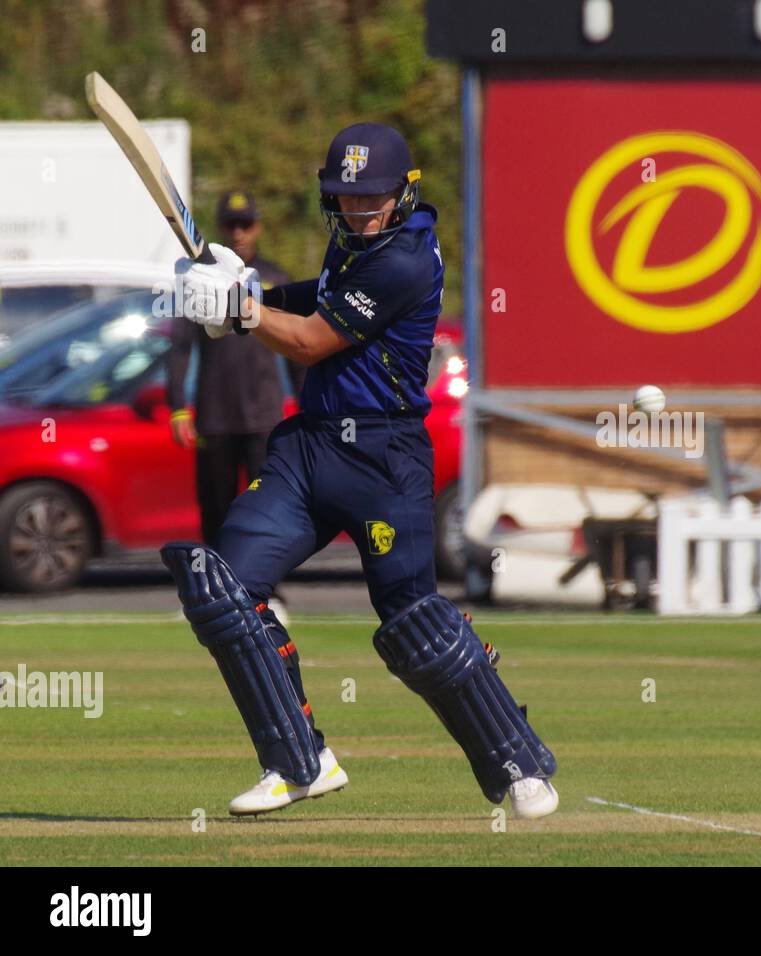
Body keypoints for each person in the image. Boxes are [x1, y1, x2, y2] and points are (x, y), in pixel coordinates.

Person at [161, 124, 558, 820]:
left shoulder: (404, 259)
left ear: (404, 193)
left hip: (385, 459)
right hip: (310, 450)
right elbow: (319, 296)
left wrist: (241, 310)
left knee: (417, 629)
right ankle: (298, 761)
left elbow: (314, 341)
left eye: (371, 197)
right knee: (220, 586)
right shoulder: (355, 240)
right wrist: (249, 287)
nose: (357, 210)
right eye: (345, 198)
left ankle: (518, 761)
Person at [166, 191, 303, 548]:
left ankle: (268, 590)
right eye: (231, 224)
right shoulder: (202, 279)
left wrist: (308, 409)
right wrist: (178, 407)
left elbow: (298, 347)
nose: (238, 233)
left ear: (258, 226)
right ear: (221, 228)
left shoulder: (273, 276)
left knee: (267, 509)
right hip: (216, 416)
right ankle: (216, 588)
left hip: (264, 417)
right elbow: (179, 345)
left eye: (246, 224)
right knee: (216, 510)